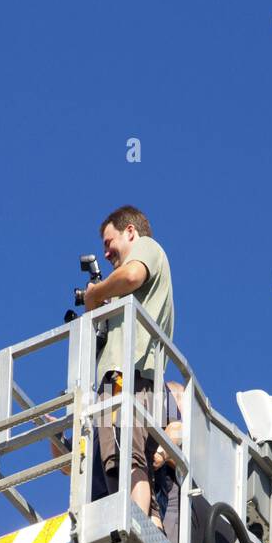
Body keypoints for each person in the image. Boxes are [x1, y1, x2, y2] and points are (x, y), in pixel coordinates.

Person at [82, 205, 175, 519]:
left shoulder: (147, 249)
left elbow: (133, 274)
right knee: (126, 461)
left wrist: (94, 295)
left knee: (126, 458)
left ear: (131, 232)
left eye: (110, 243)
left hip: (125, 375)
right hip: (139, 378)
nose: (107, 253)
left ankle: (134, 526)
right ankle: (148, 523)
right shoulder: (130, 294)